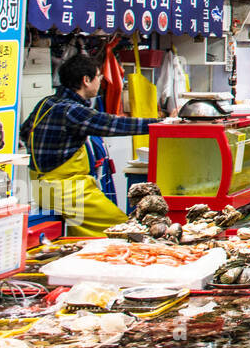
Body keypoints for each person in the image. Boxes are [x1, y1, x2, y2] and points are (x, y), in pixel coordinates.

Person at [20, 54, 177, 237]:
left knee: (76, 239)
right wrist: (163, 124)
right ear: (86, 80)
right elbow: (113, 125)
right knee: (125, 231)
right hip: (68, 191)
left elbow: (25, 132)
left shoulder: (46, 103)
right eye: (98, 77)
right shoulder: (73, 110)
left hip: (41, 188)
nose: (100, 81)